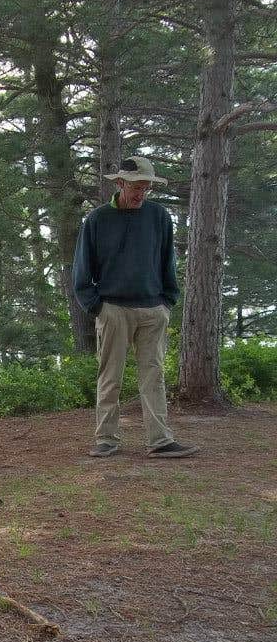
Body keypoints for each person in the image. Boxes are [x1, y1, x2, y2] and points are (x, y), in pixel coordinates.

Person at [72, 155, 198, 458]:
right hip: (113, 309)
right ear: (120, 183)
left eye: (146, 188)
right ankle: (107, 439)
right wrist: (96, 307)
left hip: (153, 310)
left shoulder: (158, 216)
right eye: (136, 188)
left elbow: (168, 261)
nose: (141, 194)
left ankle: (160, 441)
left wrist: (167, 301)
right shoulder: (98, 219)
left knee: (153, 376)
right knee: (110, 376)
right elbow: (81, 271)